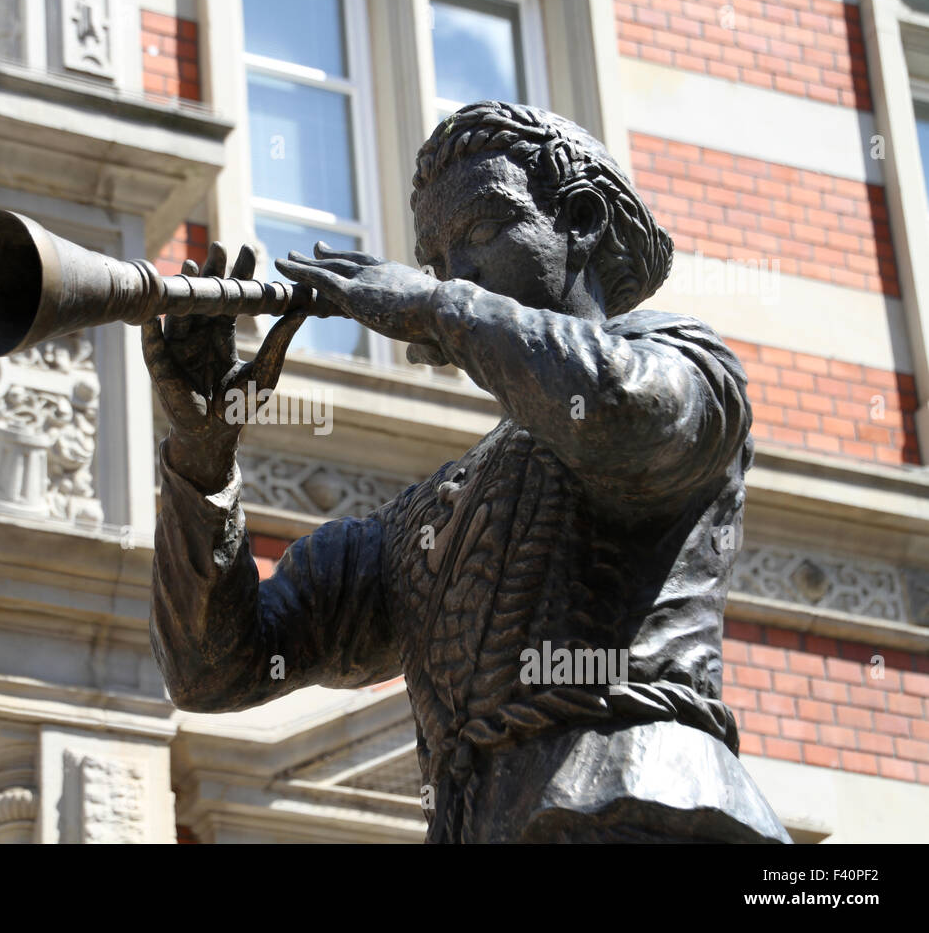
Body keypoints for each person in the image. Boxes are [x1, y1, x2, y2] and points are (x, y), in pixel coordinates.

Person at [142, 102, 790, 843]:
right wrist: (201, 452)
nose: (459, 274)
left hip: (648, 809)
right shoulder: (419, 525)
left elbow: (624, 411)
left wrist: (435, 308)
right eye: (436, 264)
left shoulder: (683, 361)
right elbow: (212, 671)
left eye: (481, 232)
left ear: (580, 221)